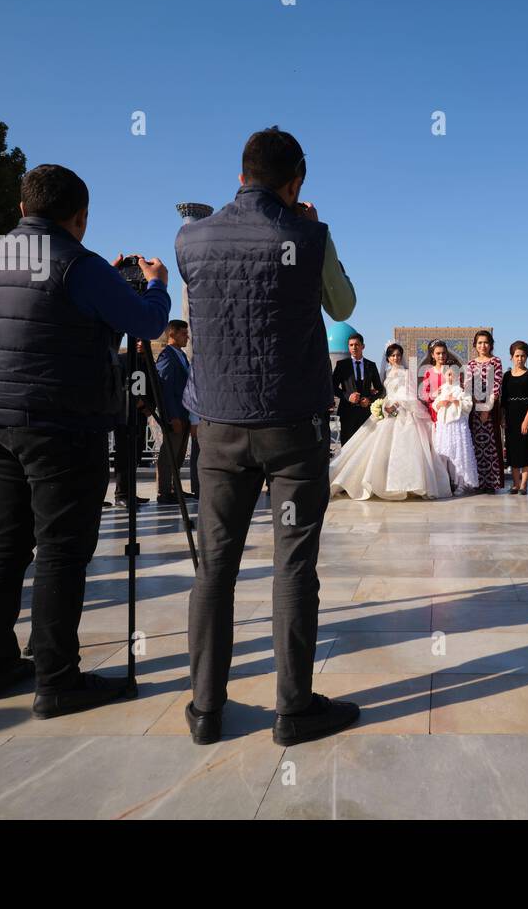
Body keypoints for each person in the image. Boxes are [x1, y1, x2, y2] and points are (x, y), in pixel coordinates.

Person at [0, 163, 171, 717]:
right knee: (61, 548)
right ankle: (57, 679)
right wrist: (154, 284)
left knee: (6, 542)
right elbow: (147, 325)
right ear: (80, 216)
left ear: (21, 207)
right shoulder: (79, 263)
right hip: (59, 423)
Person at [178, 126, 360, 747]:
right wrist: (316, 231)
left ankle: (205, 709)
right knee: (293, 566)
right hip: (292, 432)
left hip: (220, 431)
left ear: (238, 175)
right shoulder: (307, 236)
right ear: (296, 182)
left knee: (215, 567)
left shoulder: (190, 239)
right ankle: (293, 709)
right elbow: (343, 306)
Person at [329, 343, 451, 500]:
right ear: (388, 358)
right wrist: (382, 404)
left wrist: (396, 404)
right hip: (388, 409)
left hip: (402, 411)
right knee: (378, 446)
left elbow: (409, 394)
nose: (396, 358)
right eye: (393, 355)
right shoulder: (386, 372)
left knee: (405, 448)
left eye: (399, 355)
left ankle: (409, 485)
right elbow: (382, 391)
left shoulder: (407, 373)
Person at [420, 341, 478, 492]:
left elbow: (463, 394)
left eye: (443, 353)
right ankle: (441, 482)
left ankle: (456, 482)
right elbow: (424, 394)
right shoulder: (429, 372)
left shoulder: (453, 370)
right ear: (432, 355)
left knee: (454, 449)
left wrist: (456, 397)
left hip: (454, 417)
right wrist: (436, 395)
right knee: (439, 450)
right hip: (436, 413)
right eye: (438, 353)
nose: (441, 356)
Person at [109, 341, 151, 508]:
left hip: (140, 416)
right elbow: (119, 386)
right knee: (124, 456)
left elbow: (151, 389)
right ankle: (121, 494)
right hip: (125, 417)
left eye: (143, 340)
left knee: (135, 456)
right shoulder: (123, 360)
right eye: (137, 340)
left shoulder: (147, 363)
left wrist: (149, 406)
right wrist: (134, 403)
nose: (140, 344)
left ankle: (130, 492)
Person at [155, 319, 192, 503]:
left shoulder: (181, 356)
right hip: (175, 414)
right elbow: (166, 389)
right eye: (184, 333)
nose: (187, 337)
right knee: (168, 453)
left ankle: (175, 488)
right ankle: (164, 491)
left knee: (178, 455)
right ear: (172, 333)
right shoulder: (166, 357)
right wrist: (173, 416)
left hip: (185, 413)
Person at [466, 330, 504, 493]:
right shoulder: (471, 364)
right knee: (476, 444)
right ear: (475, 345)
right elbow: (468, 386)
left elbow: (496, 386)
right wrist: (476, 405)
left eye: (486, 342)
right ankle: (478, 482)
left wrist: (487, 409)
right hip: (474, 409)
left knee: (491, 444)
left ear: (491, 344)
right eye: (480, 343)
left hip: (490, 407)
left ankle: (492, 483)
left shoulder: (495, 362)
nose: (483, 346)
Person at [331, 332, 384, 446]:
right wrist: (348, 396)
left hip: (366, 413)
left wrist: (369, 399)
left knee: (365, 446)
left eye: (357, 344)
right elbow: (333, 386)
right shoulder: (341, 365)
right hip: (347, 413)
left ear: (363, 346)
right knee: (347, 445)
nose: (354, 347)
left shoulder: (371, 365)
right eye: (351, 345)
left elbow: (380, 389)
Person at [502, 340, 528, 495]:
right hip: (511, 417)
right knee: (513, 451)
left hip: (527, 417)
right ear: (511, 357)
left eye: (523, 356)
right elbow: (503, 399)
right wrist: (503, 418)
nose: (520, 359)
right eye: (517, 356)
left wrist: (526, 420)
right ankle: (515, 484)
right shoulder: (507, 376)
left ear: (527, 357)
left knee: (526, 450)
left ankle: (524, 484)